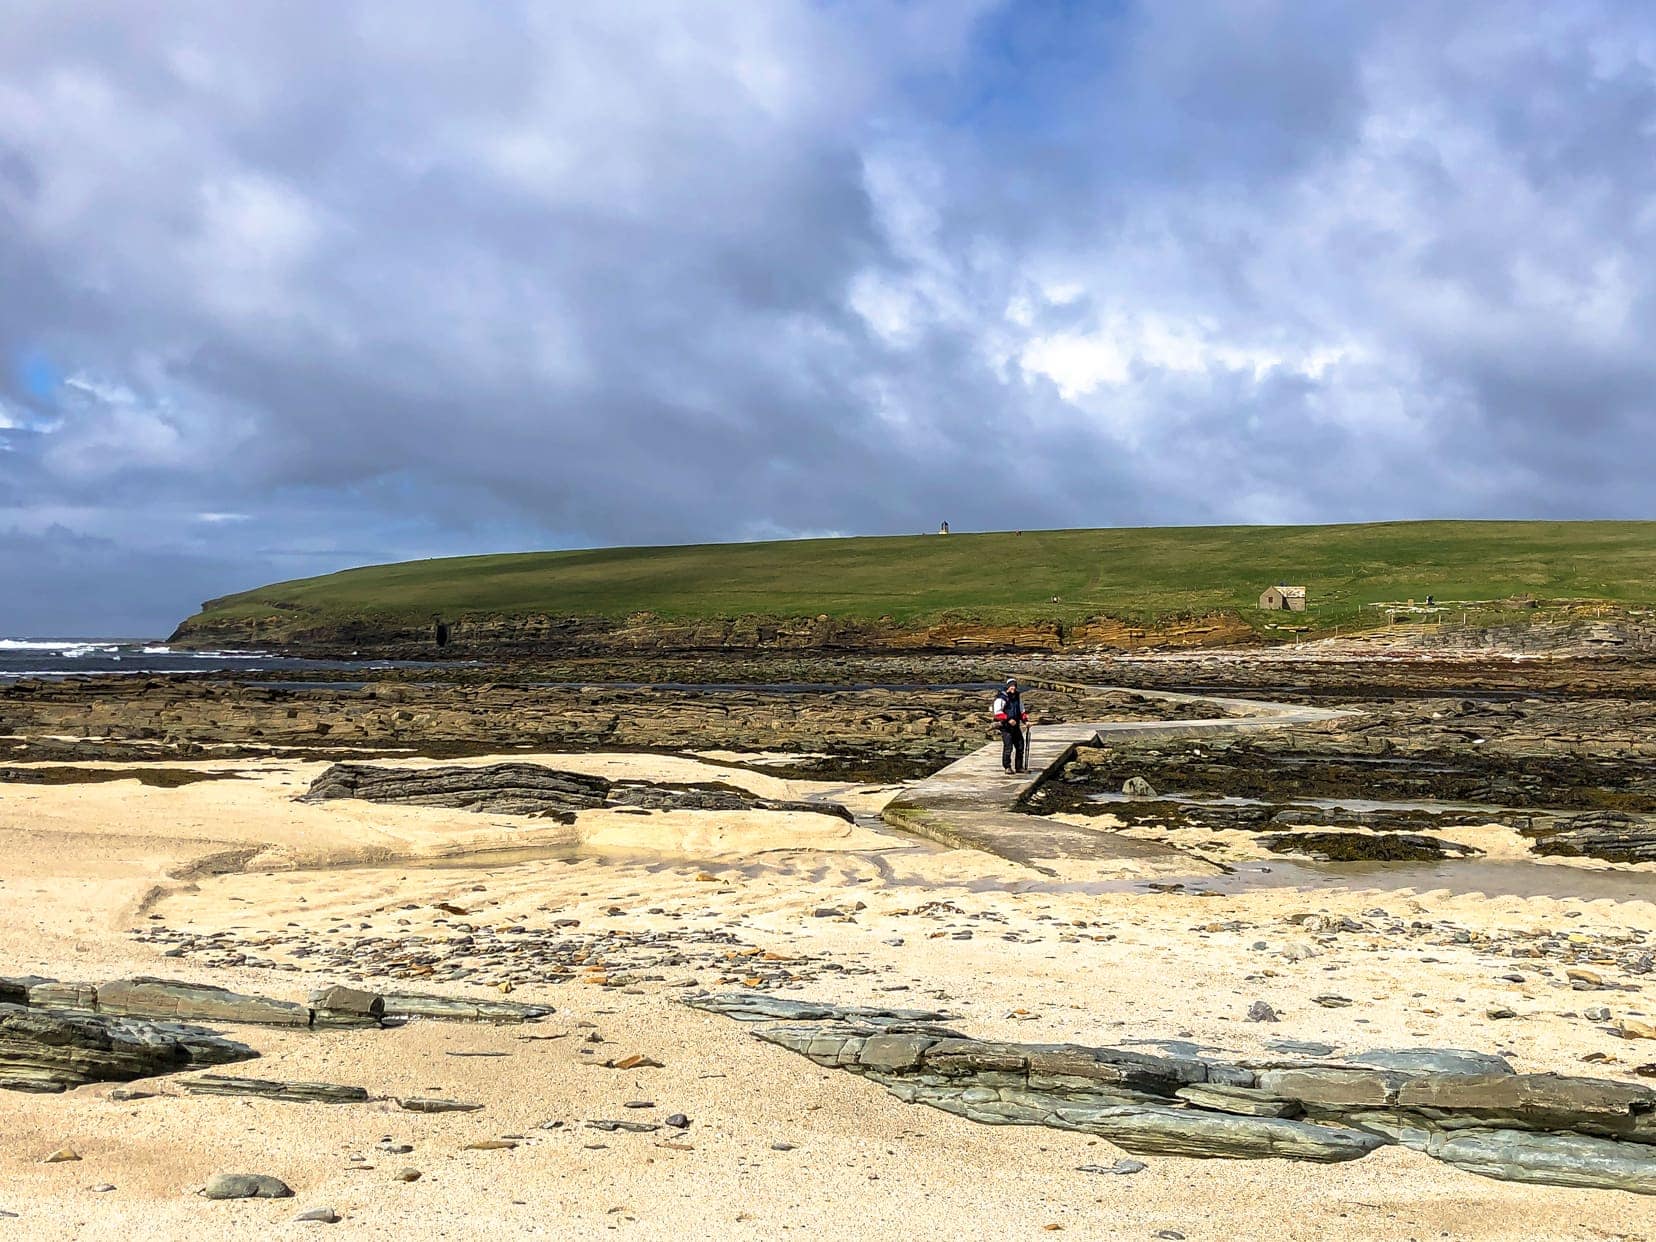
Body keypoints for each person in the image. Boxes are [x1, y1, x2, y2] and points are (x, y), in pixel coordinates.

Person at [993, 677, 1030, 774]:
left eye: (1014, 686)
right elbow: (997, 713)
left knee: (1020, 746)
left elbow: (1022, 711)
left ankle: (1019, 767)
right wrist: (1008, 719)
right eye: (1011, 686)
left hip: (1015, 726)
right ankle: (1007, 767)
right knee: (1008, 747)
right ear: (1008, 687)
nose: (1013, 688)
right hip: (1005, 727)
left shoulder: (1017, 697)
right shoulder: (1001, 698)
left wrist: (1026, 721)